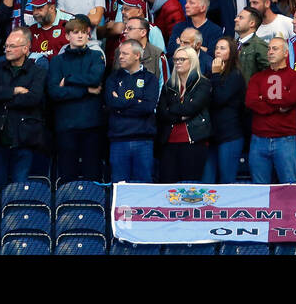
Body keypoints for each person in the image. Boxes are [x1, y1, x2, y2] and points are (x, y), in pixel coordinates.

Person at [0, 29, 48, 187]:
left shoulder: (38, 71)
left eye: (12, 46)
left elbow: (33, 98)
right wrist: (14, 91)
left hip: (24, 137)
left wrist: (3, 98)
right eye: (6, 46)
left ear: (26, 48)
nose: (8, 49)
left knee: (20, 186)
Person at [47, 17, 106, 183]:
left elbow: (95, 79)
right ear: (67, 37)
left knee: (92, 171)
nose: (80, 36)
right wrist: (86, 90)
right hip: (66, 125)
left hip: (92, 125)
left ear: (88, 35)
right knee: (67, 173)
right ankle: (67, 207)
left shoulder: (96, 56)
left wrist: (68, 79)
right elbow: (54, 92)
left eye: (84, 32)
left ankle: (94, 206)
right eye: (75, 32)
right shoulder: (57, 61)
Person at [245, 37, 296, 184]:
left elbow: (291, 99)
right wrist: (278, 106)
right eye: (269, 48)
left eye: (275, 49)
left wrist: (263, 98)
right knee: (259, 189)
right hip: (259, 139)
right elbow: (251, 102)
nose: (270, 52)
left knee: (290, 187)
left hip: (285, 140)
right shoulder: (257, 78)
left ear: (285, 53)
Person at [105, 39, 160, 182]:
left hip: (143, 140)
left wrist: (121, 104)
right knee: (119, 186)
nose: (120, 57)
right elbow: (111, 103)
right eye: (120, 53)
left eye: (125, 53)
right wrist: (136, 101)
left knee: (144, 186)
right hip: (118, 139)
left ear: (137, 55)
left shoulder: (150, 79)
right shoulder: (113, 78)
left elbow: (148, 107)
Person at [156, 45, 212, 182]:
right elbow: (161, 112)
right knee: (168, 187)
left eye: (182, 59)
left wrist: (172, 110)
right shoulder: (169, 85)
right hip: (169, 142)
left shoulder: (203, 83)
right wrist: (179, 114)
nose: (178, 62)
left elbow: (191, 108)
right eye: (175, 59)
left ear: (192, 61)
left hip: (193, 142)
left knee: (190, 187)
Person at [203, 36, 246, 182]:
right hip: (212, 135)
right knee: (207, 182)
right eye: (216, 48)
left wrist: (215, 75)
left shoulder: (235, 75)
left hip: (230, 135)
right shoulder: (211, 74)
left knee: (226, 181)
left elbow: (220, 98)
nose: (218, 51)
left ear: (231, 52)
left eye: (222, 48)